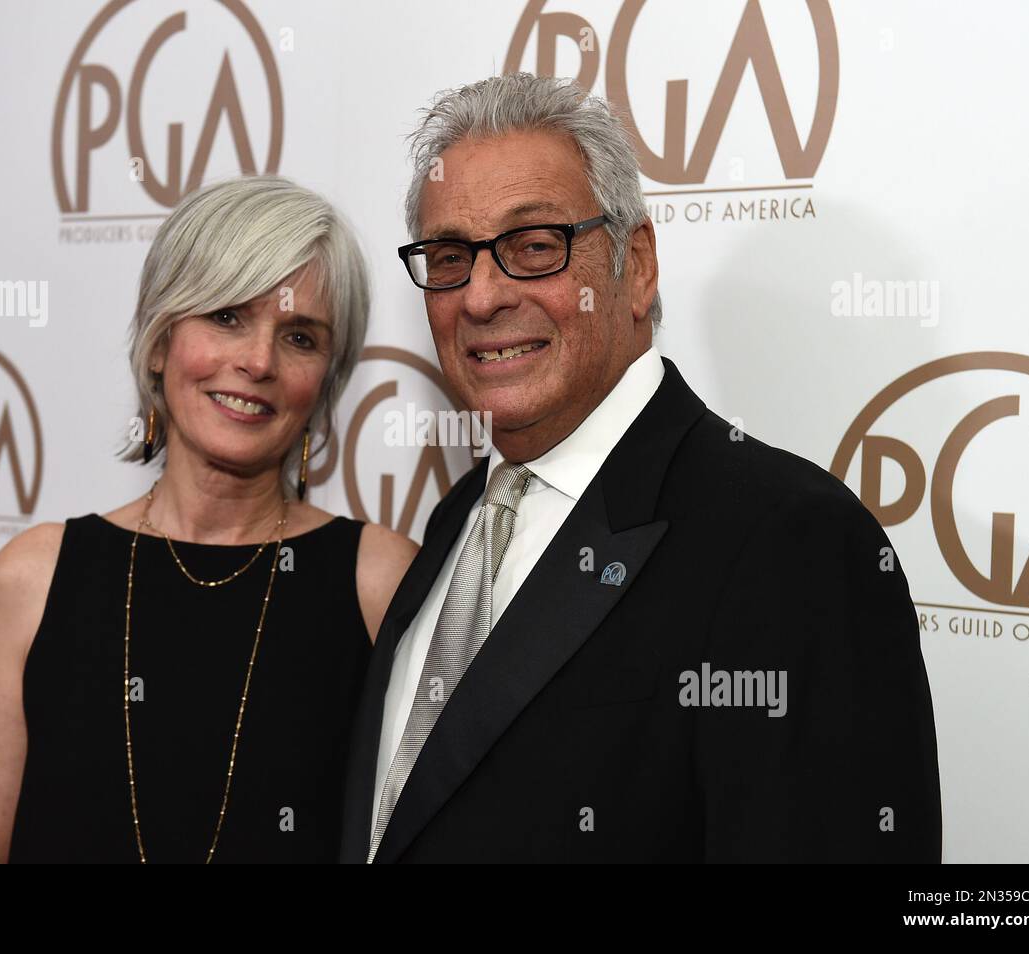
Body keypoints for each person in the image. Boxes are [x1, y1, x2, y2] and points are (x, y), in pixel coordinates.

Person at [341, 74, 942, 863]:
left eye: (533, 246)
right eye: (450, 256)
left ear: (640, 265)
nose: (481, 297)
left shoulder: (790, 542)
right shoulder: (458, 517)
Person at [0, 175, 417, 863]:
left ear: (327, 378)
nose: (257, 360)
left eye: (299, 336)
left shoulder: (378, 583)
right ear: (162, 337)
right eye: (227, 315)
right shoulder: (32, 577)